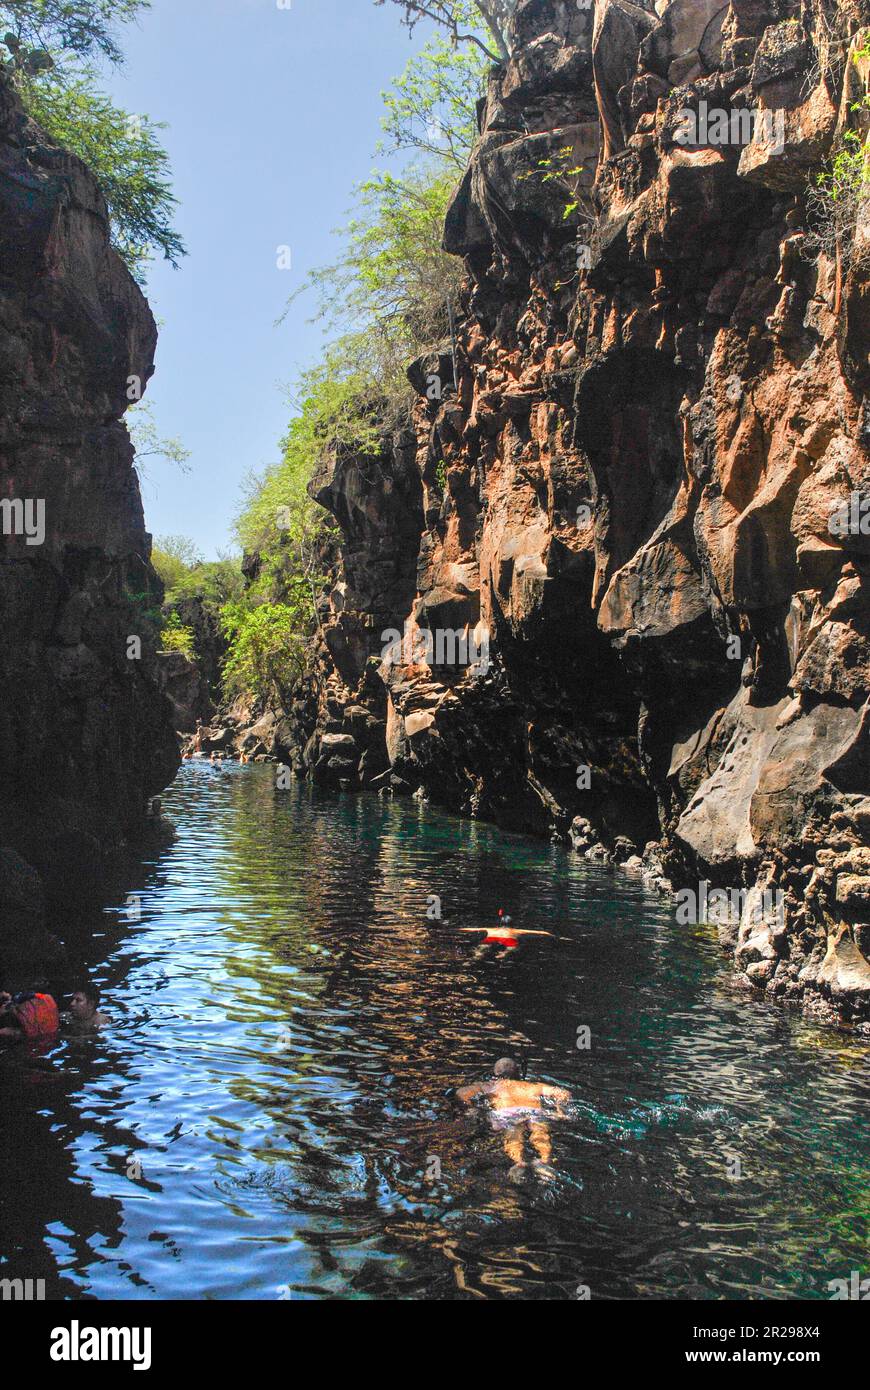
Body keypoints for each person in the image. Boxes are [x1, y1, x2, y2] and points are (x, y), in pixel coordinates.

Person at [456, 1058, 571, 1180]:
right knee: (540, 1132)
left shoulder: (490, 1086)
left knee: (513, 1135)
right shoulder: (533, 1086)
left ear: (496, 1074)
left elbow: (461, 1093)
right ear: (519, 1073)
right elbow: (563, 1093)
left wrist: (471, 1108)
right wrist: (559, 1110)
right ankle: (544, 1160)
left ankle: (519, 1162)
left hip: (507, 1113)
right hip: (532, 1111)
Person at [459, 910, 552, 949]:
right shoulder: (515, 931)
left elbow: (472, 929)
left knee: (481, 949)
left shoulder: (491, 929)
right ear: (511, 923)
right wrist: (548, 933)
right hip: (509, 939)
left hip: (492, 937)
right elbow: (538, 932)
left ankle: (476, 956)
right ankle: (503, 955)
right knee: (510, 949)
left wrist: (459, 929)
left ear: (500, 923)